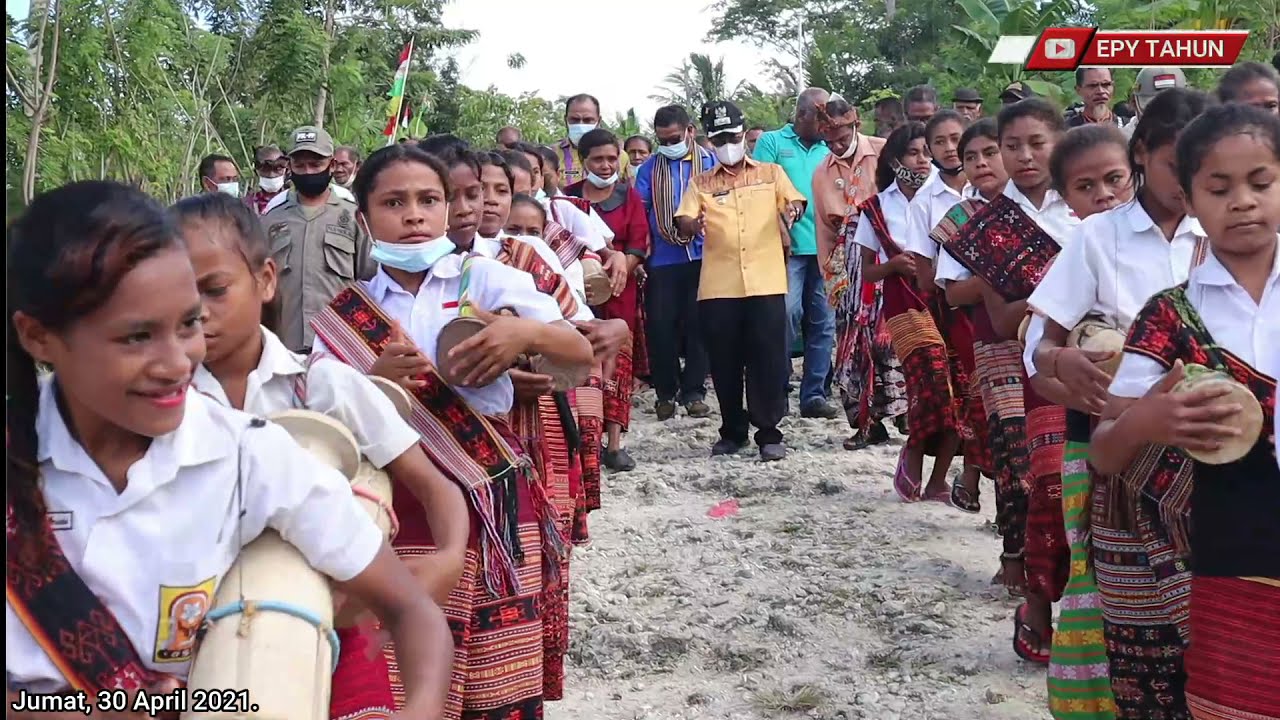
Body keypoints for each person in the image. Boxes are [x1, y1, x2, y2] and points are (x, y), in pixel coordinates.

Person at [4, 181, 452, 718]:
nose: (177, 363)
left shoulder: (245, 456)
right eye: (135, 337)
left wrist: (420, 707)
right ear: (38, 338)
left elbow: (410, 611)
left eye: (188, 322)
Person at [308, 144, 594, 719]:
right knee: (401, 668)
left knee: (493, 676)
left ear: (445, 212)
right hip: (397, 506)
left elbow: (578, 352)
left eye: (427, 200)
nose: (413, 215)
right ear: (364, 219)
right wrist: (374, 381)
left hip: (487, 498)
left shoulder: (485, 279)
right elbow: (320, 410)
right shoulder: (349, 311)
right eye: (394, 202)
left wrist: (523, 337)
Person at [172, 192, 470, 720]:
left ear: (266, 280)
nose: (195, 312)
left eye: (215, 290)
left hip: (332, 626)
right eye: (172, 296)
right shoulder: (158, 408)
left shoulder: (320, 385)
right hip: (182, 636)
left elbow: (432, 484)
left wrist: (447, 558)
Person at [1028, 87, 1215, 719]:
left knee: (1213, 612)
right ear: (1143, 154)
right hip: (1115, 447)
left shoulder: (1228, 232)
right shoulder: (1099, 238)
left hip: (1216, 452)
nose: (1192, 181)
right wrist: (1062, 362)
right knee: (1130, 611)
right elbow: (1041, 345)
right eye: (1175, 164)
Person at [1091, 103, 1279, 720]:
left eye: (1262, 182)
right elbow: (1106, 450)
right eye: (1219, 189)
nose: (1243, 202)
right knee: (1239, 701)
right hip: (1236, 542)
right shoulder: (1170, 315)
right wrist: (1152, 421)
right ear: (1190, 200)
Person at [675, 100, 805, 462]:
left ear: (744, 132)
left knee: (769, 359)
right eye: (719, 139)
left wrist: (791, 211)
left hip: (766, 282)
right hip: (719, 286)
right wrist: (691, 225)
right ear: (709, 141)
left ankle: (769, 432)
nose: (728, 143)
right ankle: (732, 432)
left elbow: (794, 200)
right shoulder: (700, 183)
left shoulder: (771, 172)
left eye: (732, 135)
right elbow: (684, 219)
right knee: (725, 362)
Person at [850, 122, 967, 500]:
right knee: (932, 383)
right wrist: (895, 265)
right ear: (895, 159)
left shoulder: (955, 194)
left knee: (959, 390)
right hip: (905, 303)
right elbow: (867, 270)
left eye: (924, 152)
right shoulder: (876, 207)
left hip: (951, 301)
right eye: (913, 153)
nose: (921, 160)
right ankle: (914, 452)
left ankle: (937, 480)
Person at [810, 94, 905, 449]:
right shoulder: (821, 172)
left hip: (889, 255)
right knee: (852, 345)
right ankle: (866, 422)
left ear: (856, 125)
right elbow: (825, 228)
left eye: (842, 137)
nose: (836, 145)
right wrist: (831, 277)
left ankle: (907, 413)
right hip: (848, 265)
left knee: (893, 337)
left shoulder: (886, 152)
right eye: (828, 141)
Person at [563, 128, 650, 472]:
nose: (605, 165)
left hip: (619, 291)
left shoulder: (629, 197)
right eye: (597, 159)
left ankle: (614, 443)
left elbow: (639, 242)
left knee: (618, 362)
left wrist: (621, 266)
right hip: (577, 294)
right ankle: (586, 441)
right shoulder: (568, 199)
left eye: (611, 158)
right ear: (584, 161)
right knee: (581, 362)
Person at [931, 118, 1005, 514]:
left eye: (991, 152)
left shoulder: (1052, 208)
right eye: (971, 157)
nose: (981, 163)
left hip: (1046, 338)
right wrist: (1001, 279)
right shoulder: (961, 218)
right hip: (986, 335)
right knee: (996, 421)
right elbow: (952, 291)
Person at [754, 87, 841, 419]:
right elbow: (761, 188)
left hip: (827, 247)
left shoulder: (830, 146)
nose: (827, 123)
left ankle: (814, 394)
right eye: (821, 116)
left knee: (823, 322)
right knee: (786, 315)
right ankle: (777, 383)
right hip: (785, 247)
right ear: (803, 115)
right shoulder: (773, 143)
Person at [633, 104, 716, 421]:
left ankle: (694, 392)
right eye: (663, 140)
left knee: (699, 327)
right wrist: (640, 255)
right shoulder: (649, 168)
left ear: (690, 132)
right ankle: (665, 394)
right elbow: (640, 216)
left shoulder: (710, 164)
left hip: (703, 256)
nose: (669, 145)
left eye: (674, 138)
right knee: (661, 328)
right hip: (662, 260)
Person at [261, 125, 374, 353]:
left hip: (340, 345)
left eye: (316, 164)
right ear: (290, 166)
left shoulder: (353, 216)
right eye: (300, 165)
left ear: (331, 165)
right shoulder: (271, 219)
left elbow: (371, 281)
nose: (308, 172)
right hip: (284, 346)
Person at [1124, 66, 1187, 139]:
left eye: (1171, 108)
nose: (1162, 117)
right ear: (1134, 103)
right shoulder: (1121, 144)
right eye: (1153, 109)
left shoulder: (1197, 140)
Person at [558, 94, 604, 187]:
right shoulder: (551, 155)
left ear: (598, 121)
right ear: (565, 120)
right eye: (574, 119)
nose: (580, 125)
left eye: (588, 120)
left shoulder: (618, 157)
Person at [244, 145, 288, 215]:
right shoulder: (246, 205)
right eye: (265, 169)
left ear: (286, 171)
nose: (271, 175)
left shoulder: (294, 201)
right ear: (256, 171)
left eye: (278, 169)